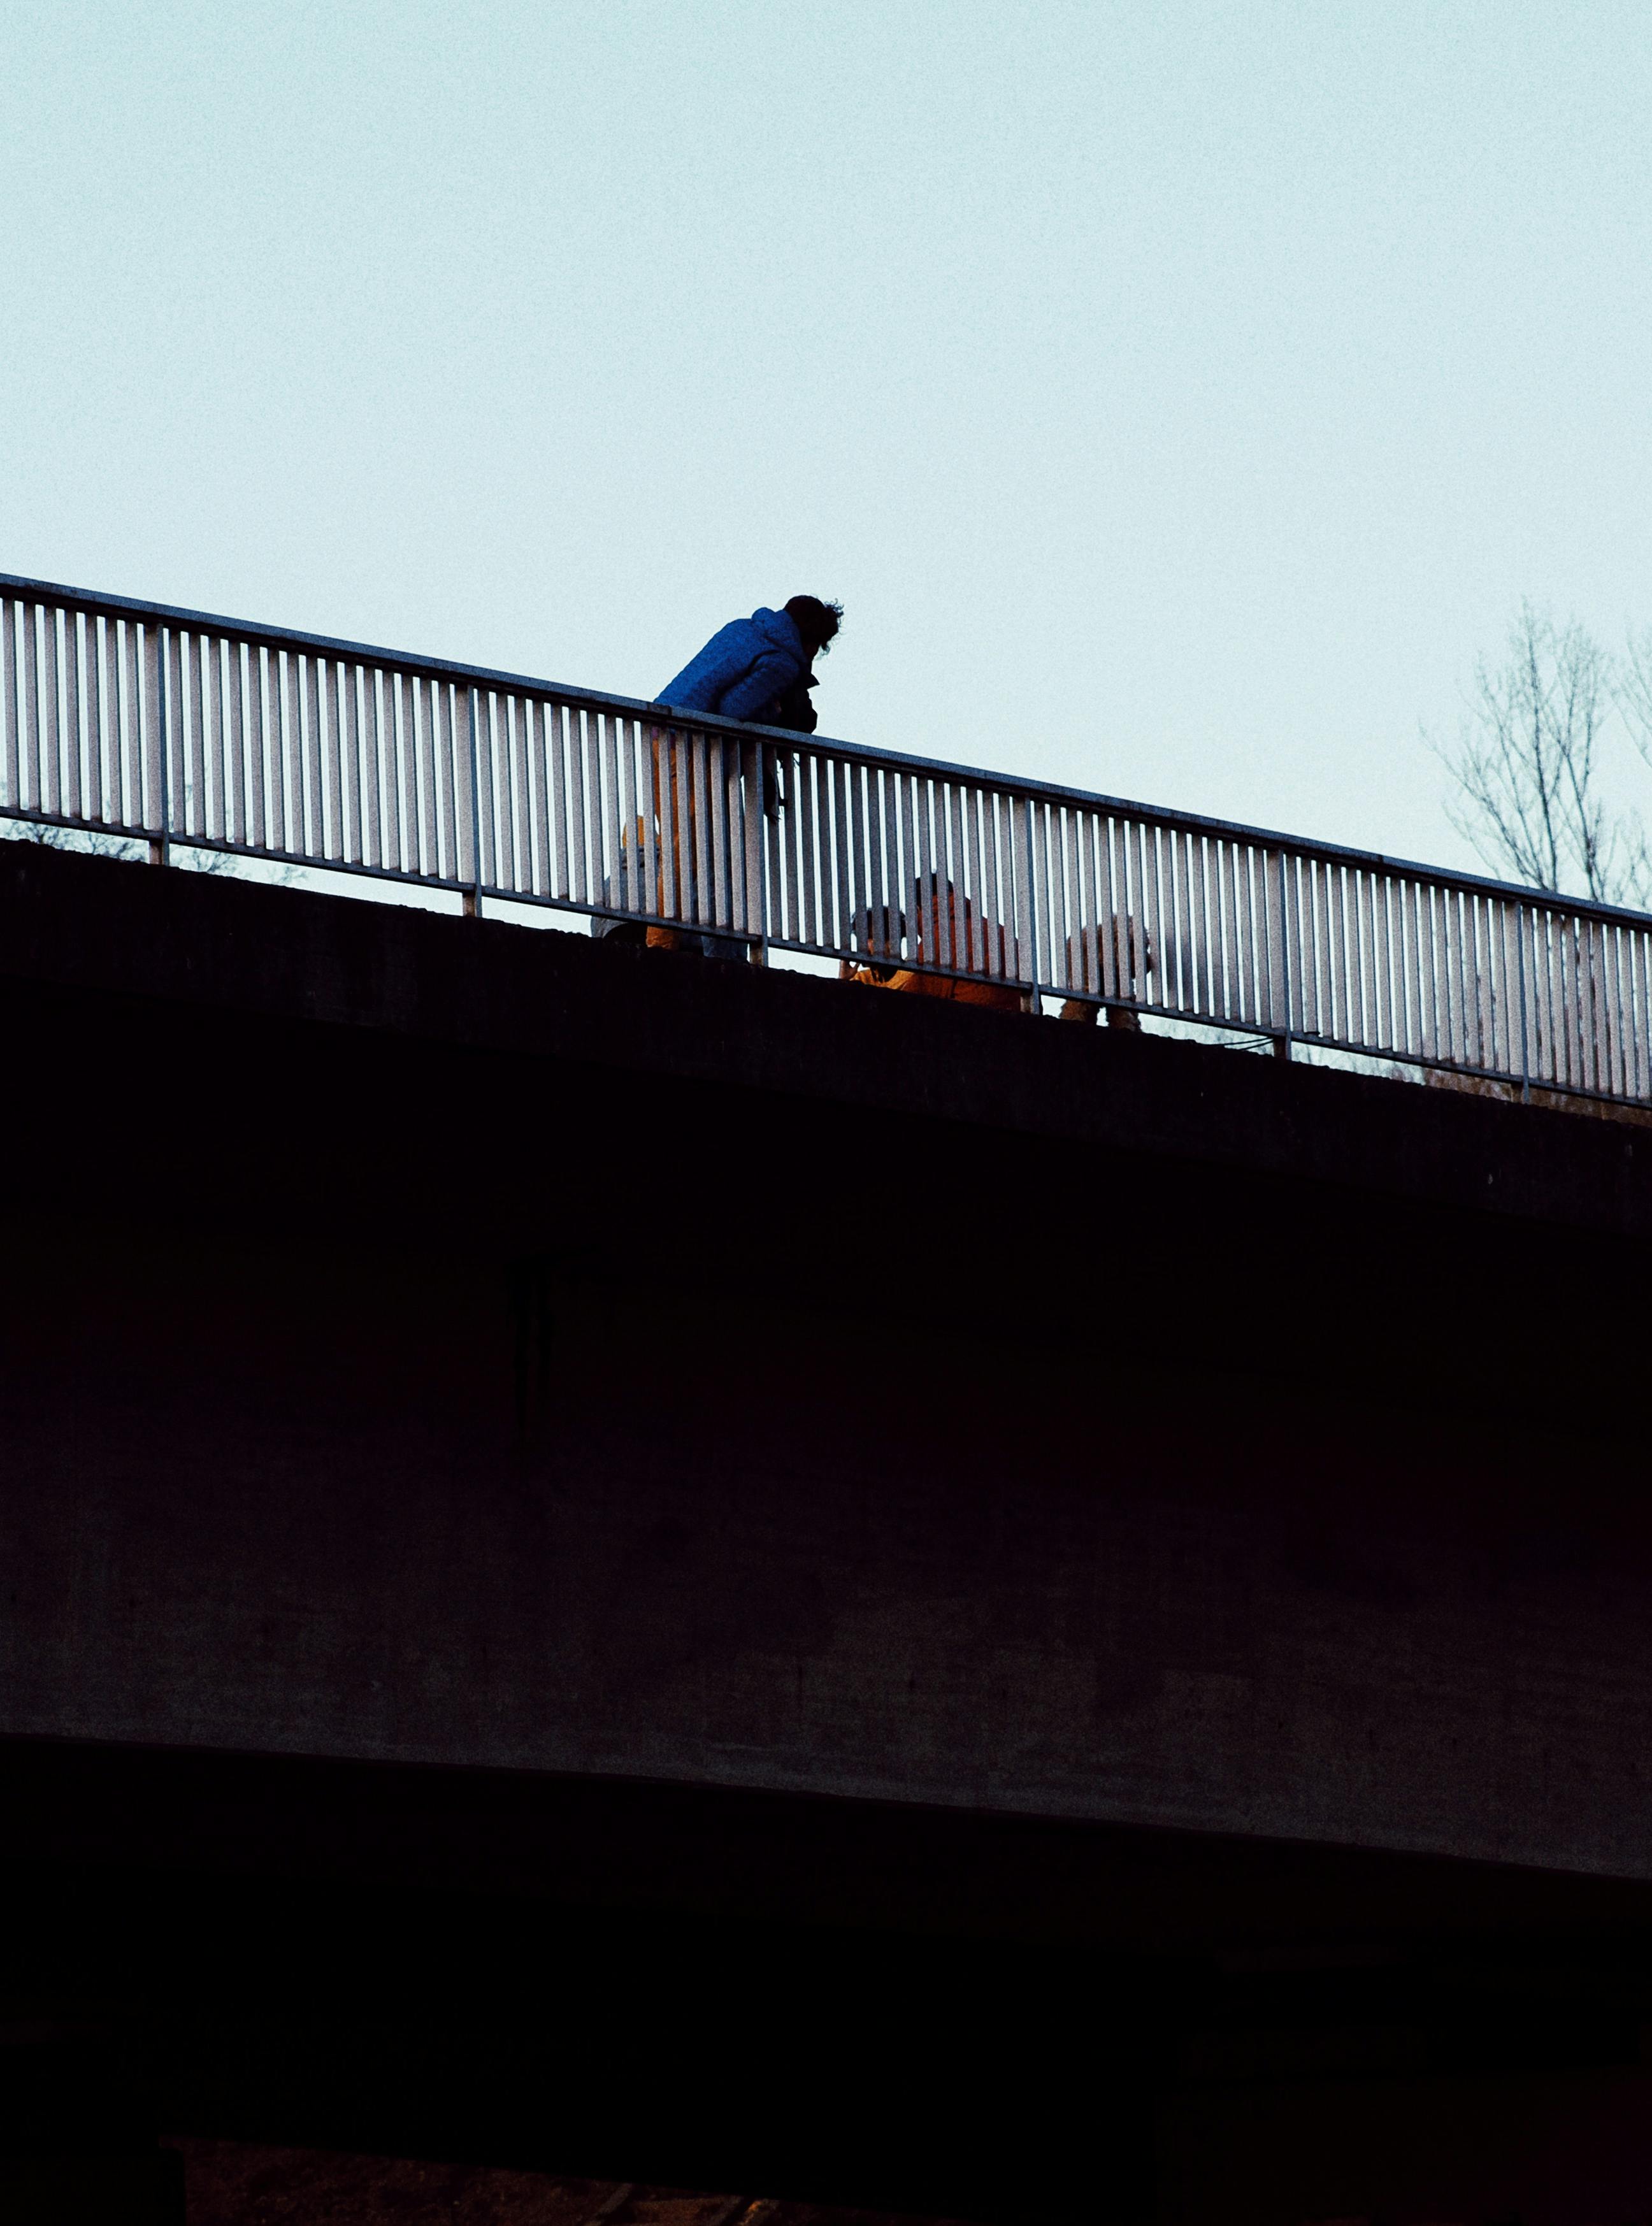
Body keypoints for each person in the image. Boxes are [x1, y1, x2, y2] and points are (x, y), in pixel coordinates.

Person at [594, 596, 842, 962]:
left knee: (704, 853)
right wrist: (777, 712)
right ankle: (662, 947)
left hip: (663, 733)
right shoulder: (782, 662)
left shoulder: (744, 628)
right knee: (691, 854)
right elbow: (734, 708)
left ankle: (709, 948)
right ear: (811, 639)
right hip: (691, 747)